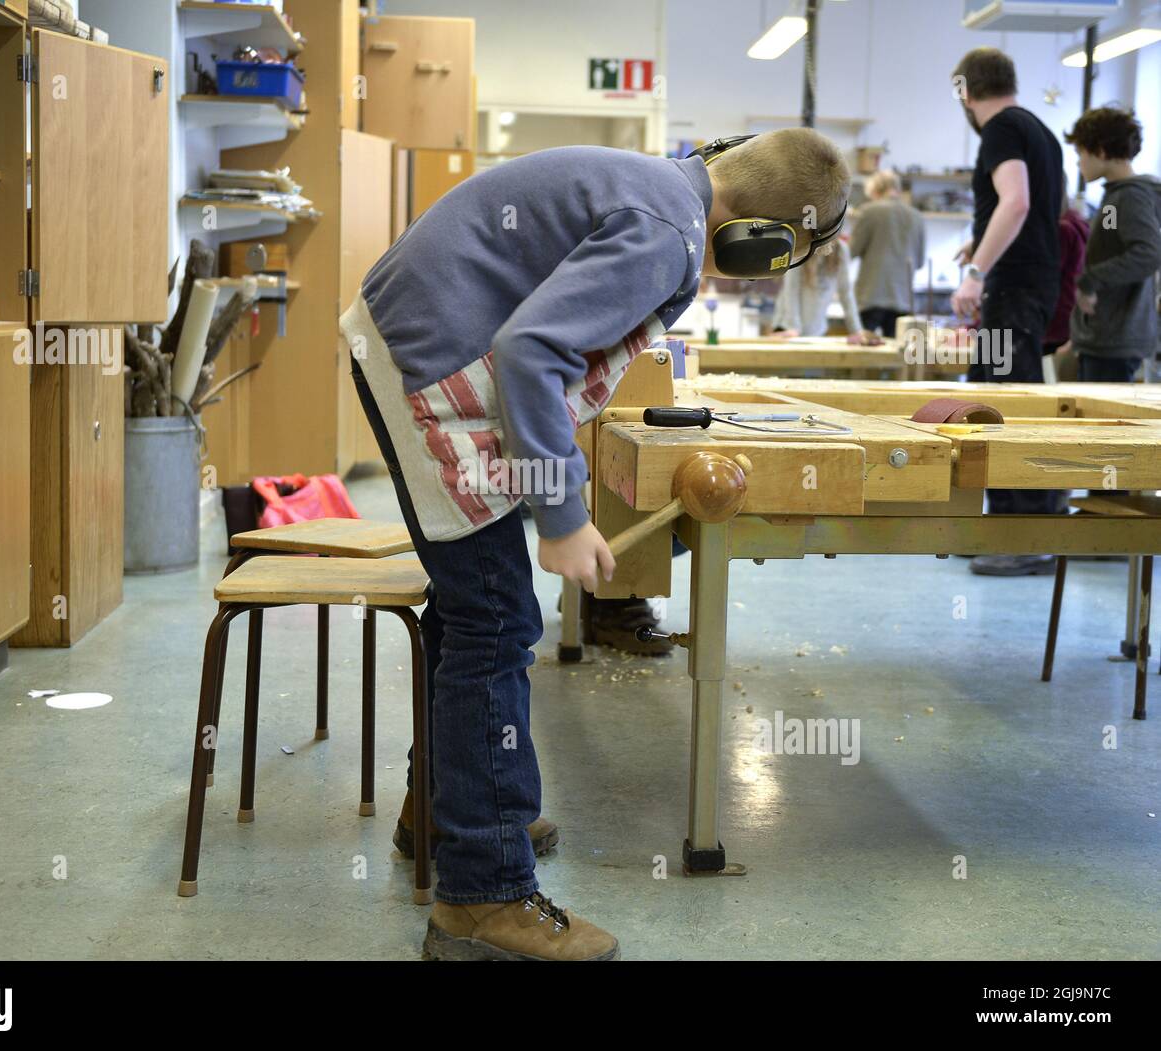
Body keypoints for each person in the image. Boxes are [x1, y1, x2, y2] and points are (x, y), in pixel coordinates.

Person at [341, 130, 851, 960]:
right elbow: (530, 348)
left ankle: (447, 809)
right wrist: (560, 514)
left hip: (405, 333)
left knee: (471, 606)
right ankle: (484, 896)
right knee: (499, 621)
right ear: (767, 244)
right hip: (430, 355)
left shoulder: (659, 190)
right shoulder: (669, 234)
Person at [949, 47, 1065, 577]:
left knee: (1004, 406)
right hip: (1027, 283)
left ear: (964, 92)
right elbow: (1032, 213)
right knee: (997, 395)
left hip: (1014, 290)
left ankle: (1026, 536)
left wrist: (977, 273)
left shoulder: (1000, 130)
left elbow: (1014, 202)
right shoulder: (1038, 128)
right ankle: (1006, 527)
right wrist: (980, 249)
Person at [1063, 107, 1161, 382]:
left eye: (1081, 153)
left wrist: (1091, 280)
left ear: (1102, 151)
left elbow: (1148, 253)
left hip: (1115, 339)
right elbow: (1111, 243)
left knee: (1103, 424)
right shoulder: (1115, 198)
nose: (1079, 163)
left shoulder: (1130, 197)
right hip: (1104, 334)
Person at [849, 169, 927, 339]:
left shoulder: (868, 211)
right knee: (895, 357)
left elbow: (851, 252)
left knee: (862, 354)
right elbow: (920, 262)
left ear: (875, 190)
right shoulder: (917, 216)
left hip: (871, 296)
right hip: (903, 298)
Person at [769, 237, 881, 344]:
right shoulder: (801, 247)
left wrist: (856, 330)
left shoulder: (840, 249)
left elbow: (846, 293)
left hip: (816, 329)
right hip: (786, 326)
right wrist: (793, 327)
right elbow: (791, 290)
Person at [1045, 178, 1090, 374]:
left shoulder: (1062, 229)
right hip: (1065, 320)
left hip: (1054, 323)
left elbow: (1048, 278)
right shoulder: (1076, 221)